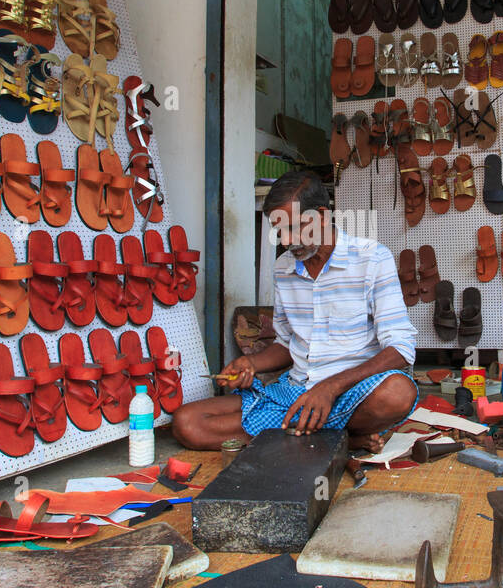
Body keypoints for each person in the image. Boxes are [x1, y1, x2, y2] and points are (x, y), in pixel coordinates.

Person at [170, 170, 418, 450]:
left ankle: (298, 434)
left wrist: (331, 387)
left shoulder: (372, 259)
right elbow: (288, 343)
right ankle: (339, 440)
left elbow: (401, 348)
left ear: (322, 216)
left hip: (353, 393)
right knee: (187, 423)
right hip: (295, 392)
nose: (287, 241)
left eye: (295, 227)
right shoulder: (284, 268)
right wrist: (251, 364)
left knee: (398, 393)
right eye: (279, 231)